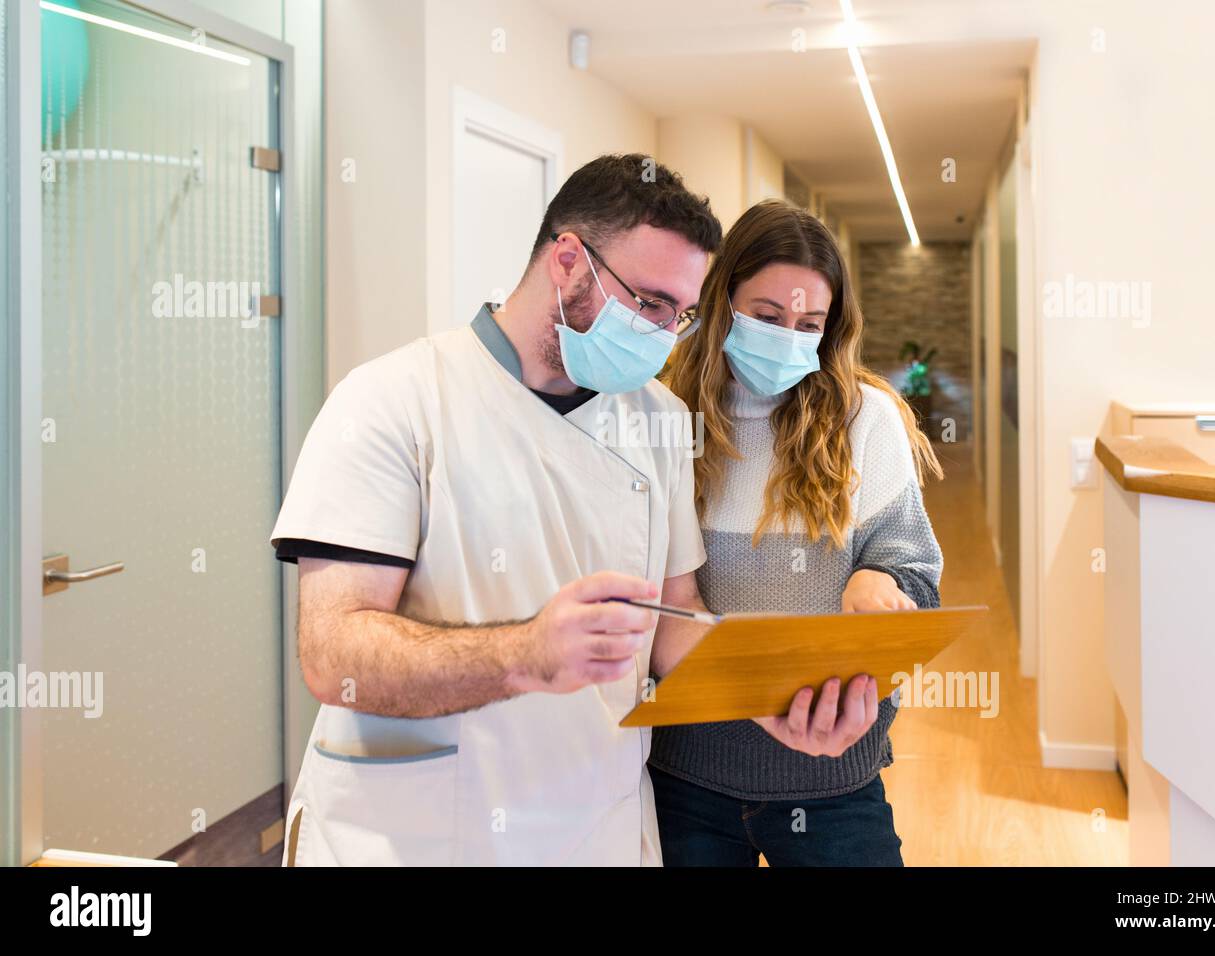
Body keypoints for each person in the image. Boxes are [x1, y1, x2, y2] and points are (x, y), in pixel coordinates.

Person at [269, 154, 722, 866]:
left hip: (595, 826)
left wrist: (781, 699)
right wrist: (524, 656)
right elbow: (334, 655)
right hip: (415, 836)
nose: (666, 335)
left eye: (682, 314)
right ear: (568, 261)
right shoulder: (395, 399)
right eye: (651, 303)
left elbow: (674, 618)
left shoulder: (659, 421)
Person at [647, 199, 944, 867]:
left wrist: (882, 581)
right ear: (721, 301)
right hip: (687, 774)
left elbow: (916, 572)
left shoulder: (866, 419)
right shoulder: (665, 416)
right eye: (767, 317)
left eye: (809, 324)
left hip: (834, 781)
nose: (789, 339)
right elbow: (658, 600)